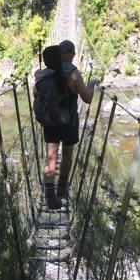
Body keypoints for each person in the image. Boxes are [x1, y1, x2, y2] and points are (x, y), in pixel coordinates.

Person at [34, 39, 97, 209]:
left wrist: (37, 77)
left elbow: (35, 94)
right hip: (68, 122)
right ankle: (62, 189)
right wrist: (91, 85)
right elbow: (87, 98)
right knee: (67, 154)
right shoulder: (74, 73)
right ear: (71, 54)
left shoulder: (44, 74)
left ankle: (49, 195)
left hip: (50, 122)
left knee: (51, 158)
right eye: (74, 54)